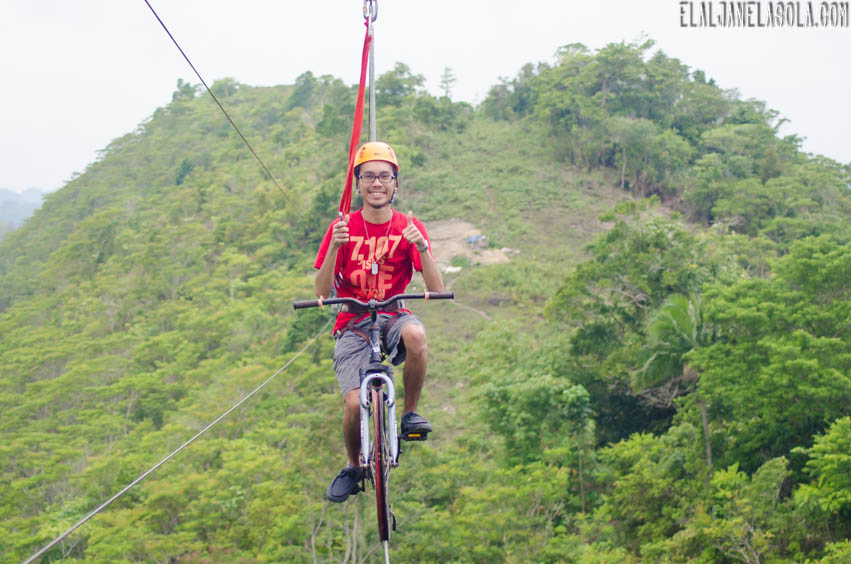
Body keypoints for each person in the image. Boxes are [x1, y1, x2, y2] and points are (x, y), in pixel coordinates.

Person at [313, 141, 444, 503]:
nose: (377, 183)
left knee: (415, 334)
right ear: (358, 184)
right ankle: (354, 465)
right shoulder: (342, 228)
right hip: (353, 322)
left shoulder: (409, 227)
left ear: (395, 184)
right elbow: (322, 292)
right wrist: (335, 247)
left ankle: (410, 414)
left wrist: (421, 247)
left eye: (385, 177)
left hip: (393, 314)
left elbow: (436, 289)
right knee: (356, 404)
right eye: (369, 176)